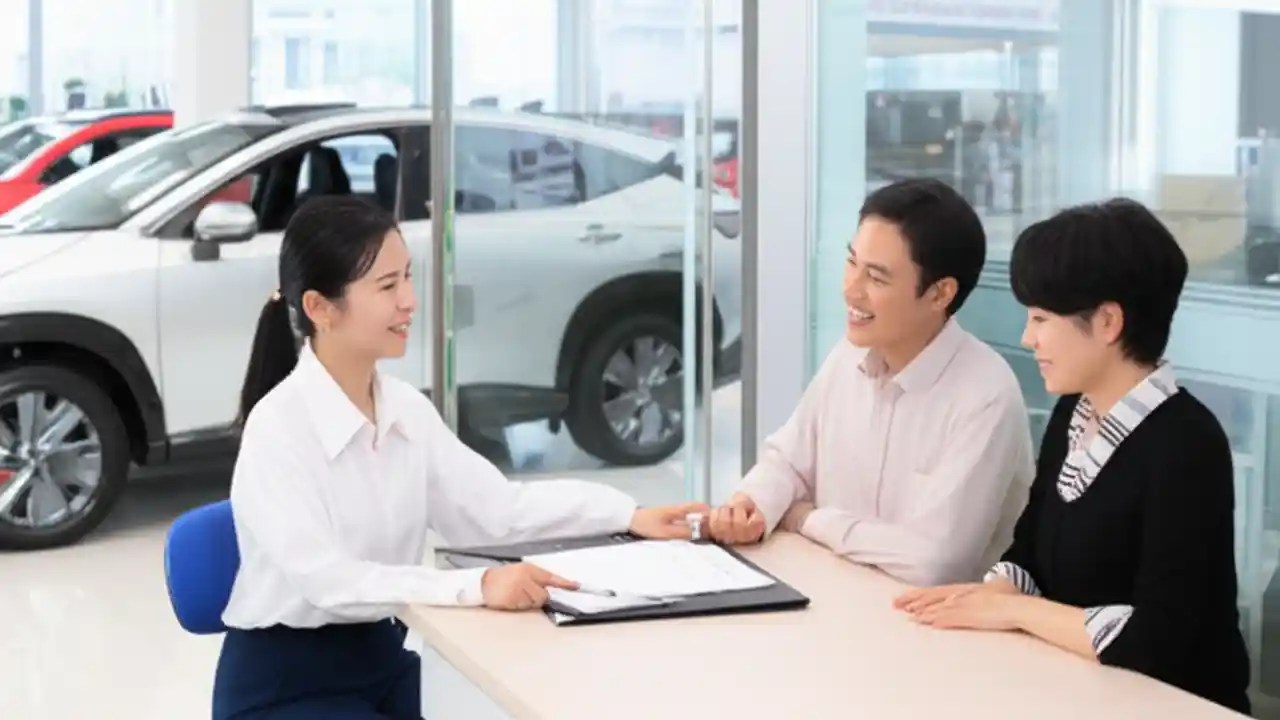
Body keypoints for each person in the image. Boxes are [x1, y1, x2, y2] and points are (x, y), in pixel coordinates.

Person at [212, 196, 706, 720]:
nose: (409, 301)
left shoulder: (404, 409)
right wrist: (476, 585)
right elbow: (329, 581)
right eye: (387, 286)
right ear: (320, 308)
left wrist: (626, 515)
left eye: (407, 277)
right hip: (284, 687)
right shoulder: (278, 429)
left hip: (383, 660)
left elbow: (497, 511)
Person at [895, 199, 1251, 714]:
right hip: (1075, 687)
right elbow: (1029, 552)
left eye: (1041, 317)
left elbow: (1158, 637)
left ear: (1108, 322)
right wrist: (987, 595)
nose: (1027, 337)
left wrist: (1016, 613)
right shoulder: (1073, 413)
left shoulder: (1186, 443)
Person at [707, 178, 1034, 586]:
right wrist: (752, 503)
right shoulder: (850, 354)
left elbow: (937, 561)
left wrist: (808, 519)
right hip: (838, 596)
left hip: (937, 630)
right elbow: (790, 460)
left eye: (876, 278)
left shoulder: (986, 394)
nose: (850, 290)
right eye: (851, 263)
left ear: (939, 294)